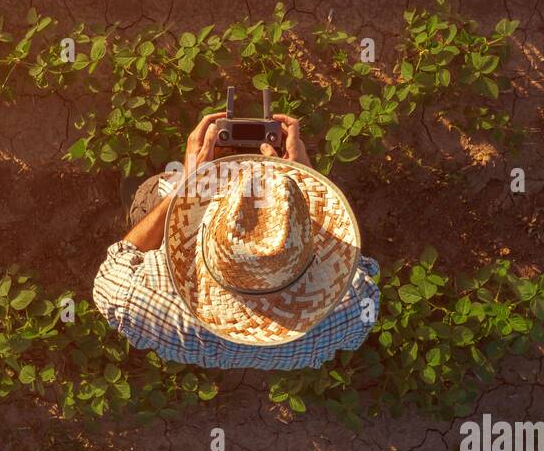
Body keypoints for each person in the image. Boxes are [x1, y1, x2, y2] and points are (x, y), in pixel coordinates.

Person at [92, 110, 380, 369]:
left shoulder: (140, 298)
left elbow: (117, 262)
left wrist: (184, 186)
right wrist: (302, 178)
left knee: (153, 190)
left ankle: (158, 193)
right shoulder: (351, 310)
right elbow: (358, 265)